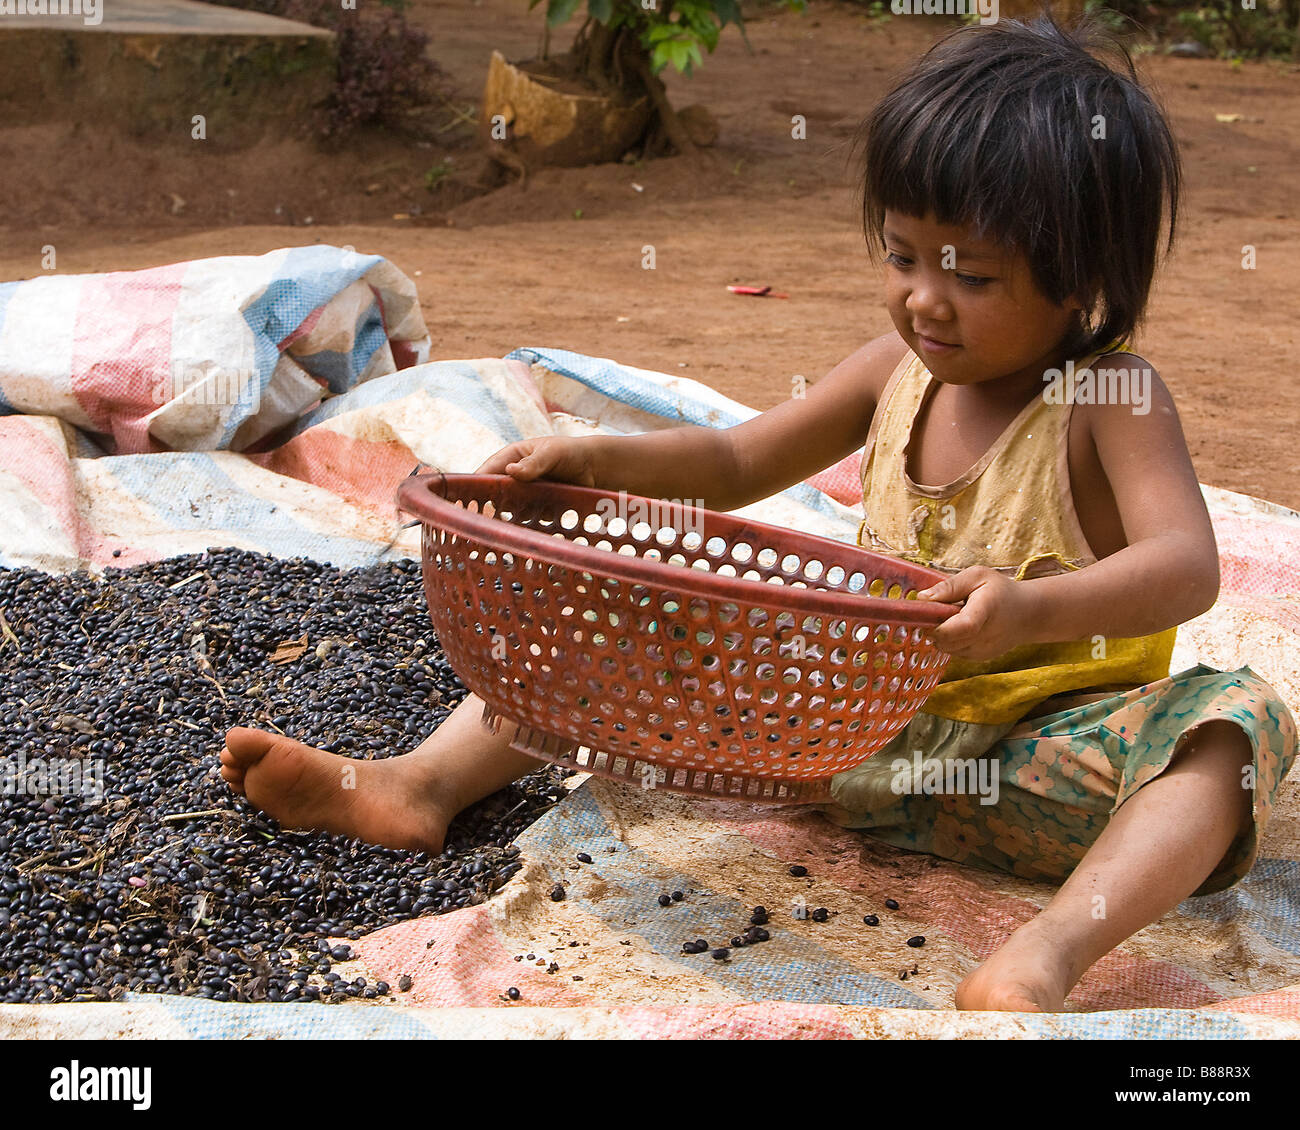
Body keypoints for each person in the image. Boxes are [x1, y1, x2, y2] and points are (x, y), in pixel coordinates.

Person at [219, 13, 1296, 1012]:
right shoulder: (894, 370)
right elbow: (736, 456)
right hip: (846, 728)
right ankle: (417, 782)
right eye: (904, 255)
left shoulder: (1107, 398)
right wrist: (593, 455)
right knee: (621, 606)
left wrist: (1025, 608)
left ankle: (1046, 954)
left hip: (1045, 762)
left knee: (1231, 730)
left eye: (971, 275)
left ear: (1079, 280)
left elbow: (1183, 565)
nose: (923, 297)